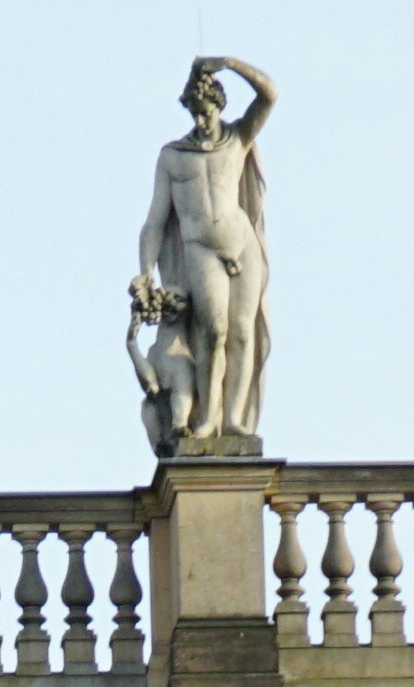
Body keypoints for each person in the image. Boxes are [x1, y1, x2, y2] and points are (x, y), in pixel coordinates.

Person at [134, 55, 273, 452]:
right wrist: (146, 271)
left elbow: (269, 94)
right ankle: (209, 416)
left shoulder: (238, 139)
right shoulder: (173, 156)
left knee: (243, 332)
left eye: (206, 112)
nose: (200, 121)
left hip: (242, 245)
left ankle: (233, 420)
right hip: (201, 250)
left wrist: (229, 63)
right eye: (195, 113)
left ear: (219, 106)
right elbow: (155, 222)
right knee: (213, 330)